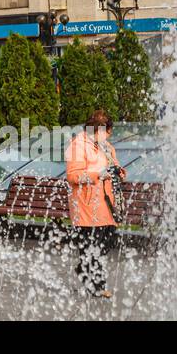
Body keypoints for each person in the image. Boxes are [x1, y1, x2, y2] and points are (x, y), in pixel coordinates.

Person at [64, 109, 125, 298]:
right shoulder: (78, 145)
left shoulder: (106, 147)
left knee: (106, 241)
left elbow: (115, 166)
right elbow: (73, 175)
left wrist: (119, 172)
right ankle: (97, 285)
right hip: (87, 203)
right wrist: (97, 174)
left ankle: (84, 269)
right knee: (92, 245)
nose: (109, 135)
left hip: (106, 203)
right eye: (107, 131)